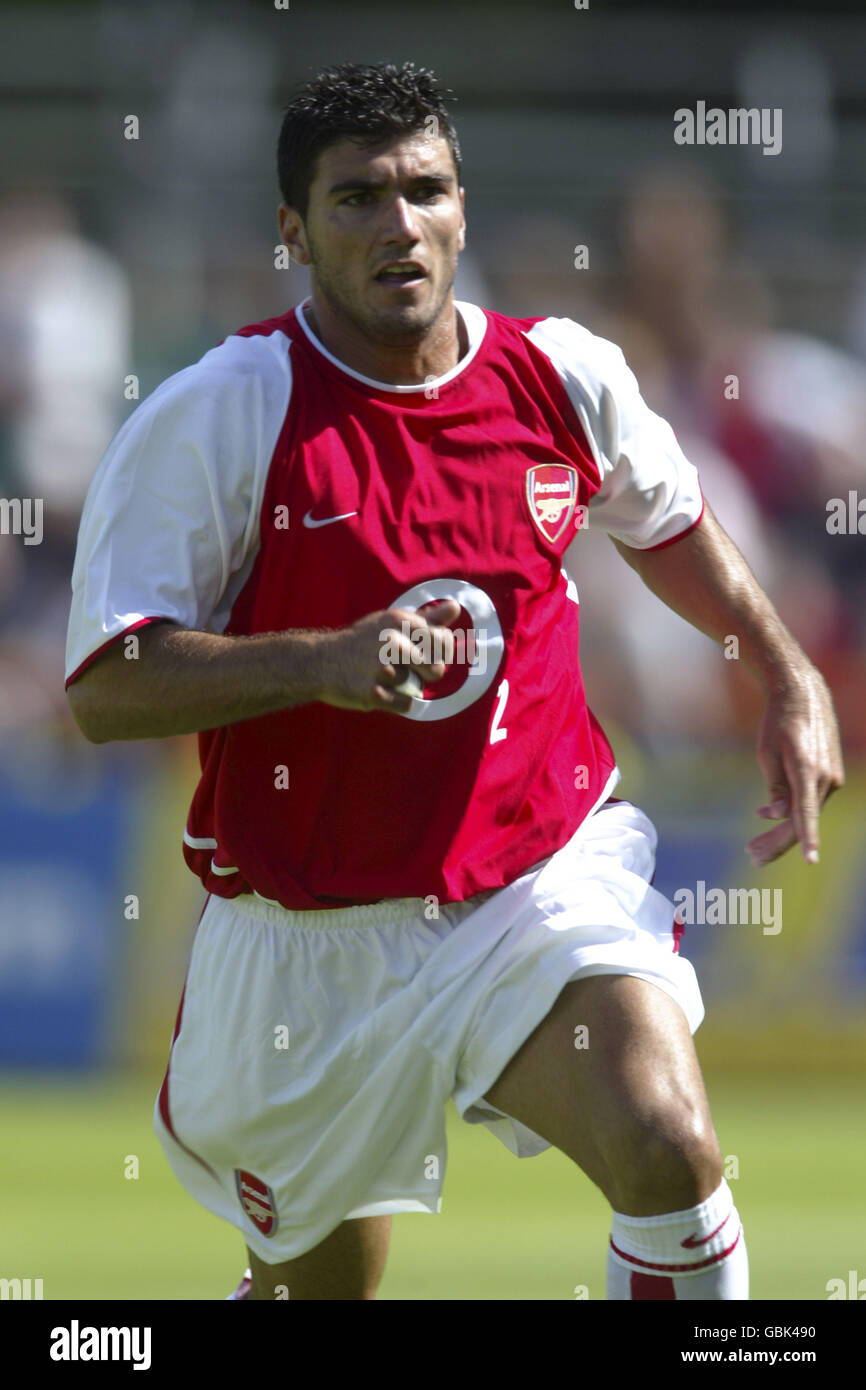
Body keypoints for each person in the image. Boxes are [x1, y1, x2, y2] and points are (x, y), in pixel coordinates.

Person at [64, 62, 843, 1301]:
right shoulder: (222, 413)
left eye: (423, 190)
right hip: (301, 947)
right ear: (293, 229)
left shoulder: (559, 373)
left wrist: (786, 672)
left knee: (665, 1140)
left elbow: (670, 521)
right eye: (357, 198)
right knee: (319, 1292)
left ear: (462, 208)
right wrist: (324, 662)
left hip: (529, 881)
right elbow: (106, 685)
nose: (398, 224)